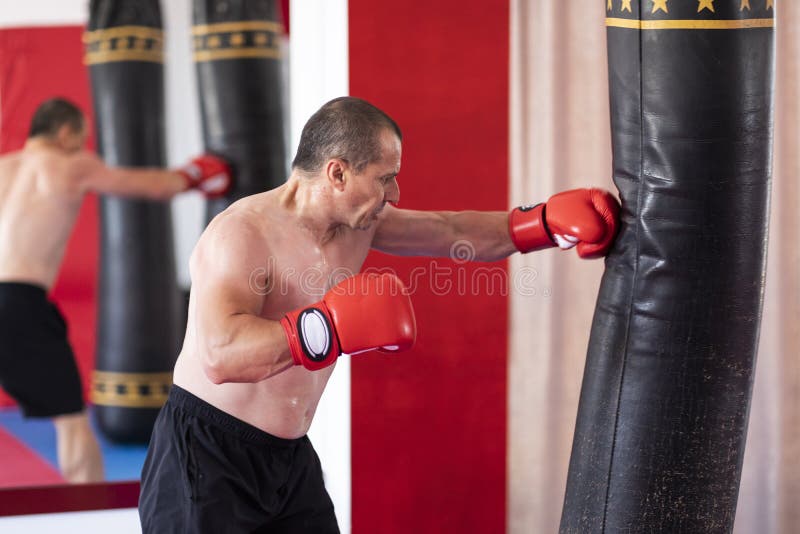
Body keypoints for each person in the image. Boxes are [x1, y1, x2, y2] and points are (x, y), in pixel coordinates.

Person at [138, 96, 620, 533]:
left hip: (287, 459)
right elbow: (219, 356)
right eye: (385, 177)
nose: (394, 194)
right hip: (206, 456)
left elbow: (449, 229)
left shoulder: (357, 226)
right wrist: (326, 326)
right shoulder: (242, 235)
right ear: (337, 172)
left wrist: (540, 225)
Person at [0, 97, 232, 483]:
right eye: (82, 138)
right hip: (19, 304)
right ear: (66, 132)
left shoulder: (4, 167)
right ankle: (89, 513)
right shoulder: (69, 164)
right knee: (71, 421)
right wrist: (196, 174)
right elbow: (151, 186)